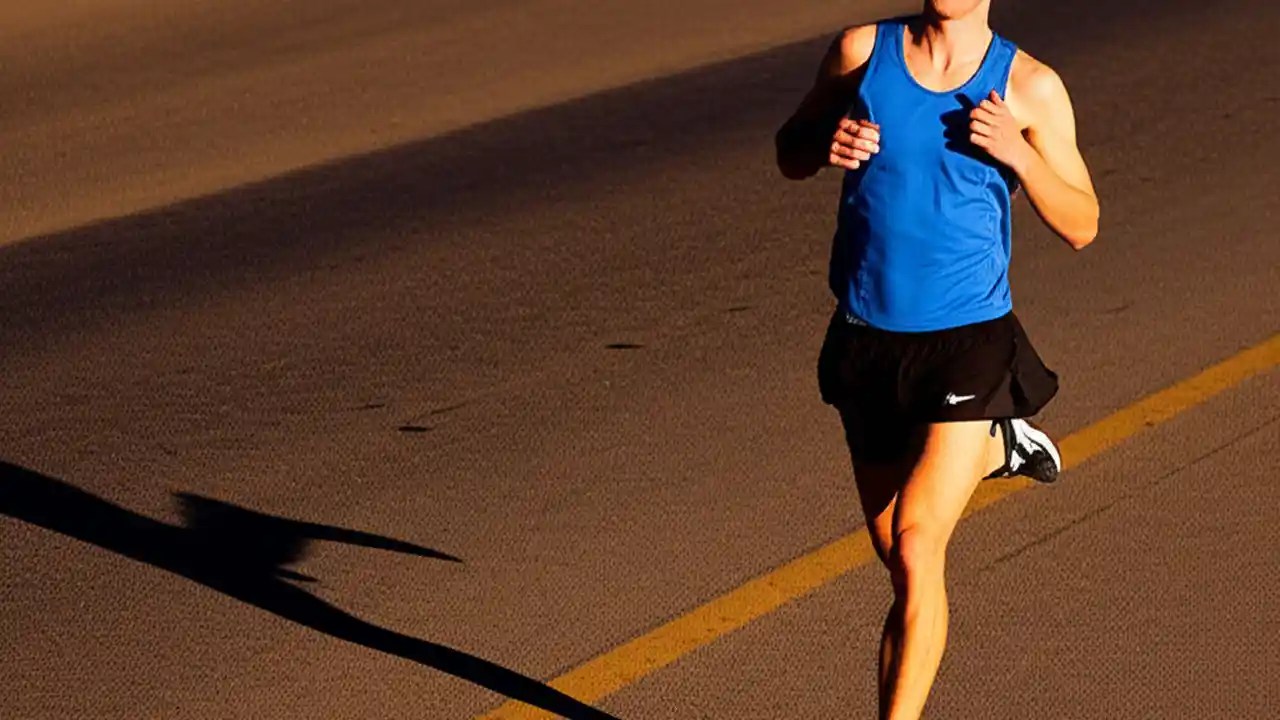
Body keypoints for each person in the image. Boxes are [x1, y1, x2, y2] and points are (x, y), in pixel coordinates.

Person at [774, 1, 1099, 718]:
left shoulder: (1029, 86)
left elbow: (1084, 222)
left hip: (968, 343)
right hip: (866, 341)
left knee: (919, 547)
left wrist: (1019, 152)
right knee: (897, 549)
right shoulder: (862, 52)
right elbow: (789, 150)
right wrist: (825, 139)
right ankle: (994, 443)